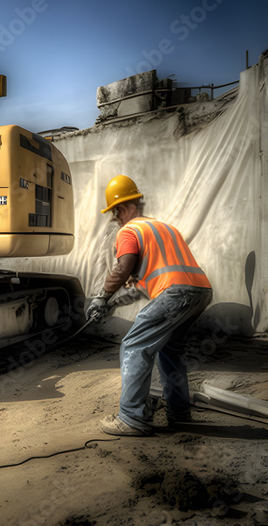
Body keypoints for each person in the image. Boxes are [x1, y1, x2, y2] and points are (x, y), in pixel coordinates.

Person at [86, 174, 213, 436]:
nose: (115, 220)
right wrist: (118, 296)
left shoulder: (129, 231)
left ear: (122, 209)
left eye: (114, 214)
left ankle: (132, 418)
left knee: (134, 344)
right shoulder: (163, 227)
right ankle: (179, 414)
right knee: (170, 350)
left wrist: (101, 297)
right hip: (200, 291)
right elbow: (144, 277)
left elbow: (122, 269)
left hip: (176, 293)